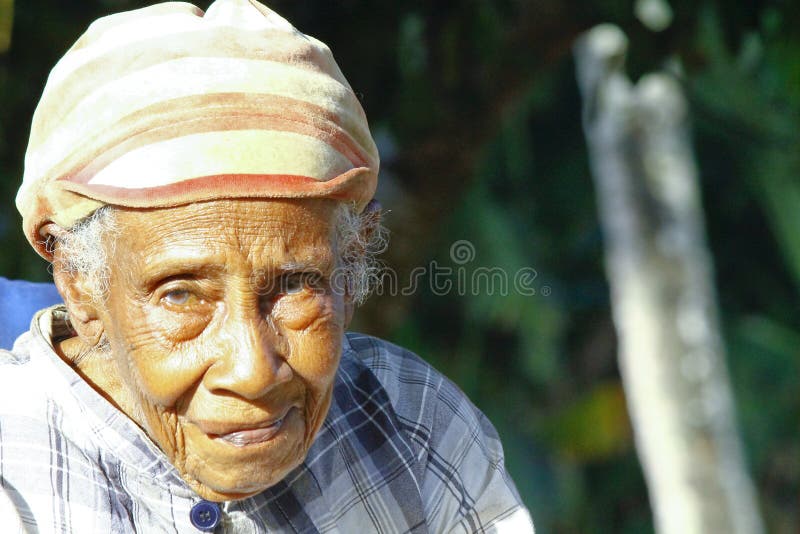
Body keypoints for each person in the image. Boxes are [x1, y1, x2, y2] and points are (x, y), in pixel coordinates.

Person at [2, 1, 535, 532]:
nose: (253, 372)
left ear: (350, 270)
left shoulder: (415, 428)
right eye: (182, 294)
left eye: (298, 285)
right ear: (79, 283)